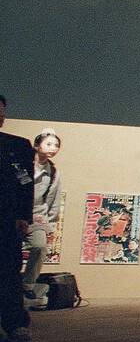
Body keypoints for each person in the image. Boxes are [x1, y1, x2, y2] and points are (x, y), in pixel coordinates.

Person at [0, 95, 35, 342]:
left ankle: (14, 324)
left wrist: (24, 216)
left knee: (9, 274)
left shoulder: (17, 146)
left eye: (1, 111)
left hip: (7, 220)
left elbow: (26, 185)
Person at [22, 128, 62, 308]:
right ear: (37, 145)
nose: (53, 148)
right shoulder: (23, 164)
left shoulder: (53, 172)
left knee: (39, 246)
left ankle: (27, 284)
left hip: (36, 216)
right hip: (14, 213)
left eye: (56, 145)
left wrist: (50, 225)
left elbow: (53, 200)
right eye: (49, 144)